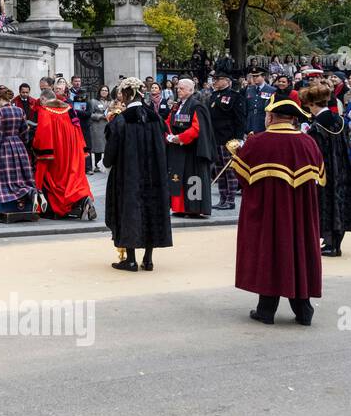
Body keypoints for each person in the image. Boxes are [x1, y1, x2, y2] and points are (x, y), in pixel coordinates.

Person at [230, 98, 325, 325]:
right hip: (299, 213)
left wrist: (235, 153)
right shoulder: (308, 142)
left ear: (270, 117)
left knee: (268, 251)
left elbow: (242, 177)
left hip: (268, 211)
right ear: (293, 119)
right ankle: (303, 310)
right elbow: (320, 178)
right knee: (297, 250)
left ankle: (266, 310)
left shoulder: (257, 142)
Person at [104, 78, 173, 272]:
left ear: (126, 94)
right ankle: (148, 260)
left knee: (129, 212)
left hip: (129, 172)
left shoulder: (122, 119)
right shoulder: (155, 117)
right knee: (151, 209)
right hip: (153, 173)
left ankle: (131, 260)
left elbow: (112, 148)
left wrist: (106, 163)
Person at [302, 81, 351, 256]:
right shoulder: (339, 120)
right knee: (340, 203)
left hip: (325, 170)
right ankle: (335, 244)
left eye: (309, 105)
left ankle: (330, 244)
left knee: (326, 204)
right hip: (342, 168)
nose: (309, 109)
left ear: (314, 104)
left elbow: (315, 151)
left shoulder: (317, 125)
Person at [31, 89, 95, 219]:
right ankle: (82, 201)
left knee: (56, 181)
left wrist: (37, 148)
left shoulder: (45, 111)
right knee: (72, 180)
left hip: (56, 153)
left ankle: (58, 210)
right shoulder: (70, 109)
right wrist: (80, 149)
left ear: (43, 99)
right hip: (72, 151)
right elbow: (78, 129)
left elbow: (43, 135)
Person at [165, 78, 217, 217]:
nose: (178, 90)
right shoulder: (176, 106)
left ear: (190, 90)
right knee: (179, 179)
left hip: (193, 151)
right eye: (178, 88)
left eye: (182, 88)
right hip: (178, 150)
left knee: (193, 179)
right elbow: (168, 122)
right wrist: (168, 135)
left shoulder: (197, 106)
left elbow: (196, 128)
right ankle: (180, 208)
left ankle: (194, 209)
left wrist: (180, 138)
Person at [0, 86, 36, 216]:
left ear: (0, 99)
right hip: (19, 147)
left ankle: (6, 201)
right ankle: (27, 194)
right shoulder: (19, 111)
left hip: (3, 149)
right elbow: (25, 133)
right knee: (20, 176)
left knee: (4, 179)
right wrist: (19, 141)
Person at [208, 73, 247, 210]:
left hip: (229, 138)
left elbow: (240, 119)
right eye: (214, 80)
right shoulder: (213, 95)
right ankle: (222, 198)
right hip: (216, 138)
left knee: (229, 170)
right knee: (220, 170)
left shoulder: (235, 97)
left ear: (227, 81)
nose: (215, 82)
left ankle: (230, 200)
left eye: (218, 79)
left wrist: (239, 138)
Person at [87, 86, 110, 173]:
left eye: (106, 90)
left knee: (107, 146)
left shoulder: (110, 102)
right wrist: (100, 116)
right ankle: (96, 165)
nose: (104, 92)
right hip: (97, 126)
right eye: (102, 90)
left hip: (107, 125)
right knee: (98, 147)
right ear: (99, 91)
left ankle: (106, 164)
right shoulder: (94, 101)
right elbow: (90, 114)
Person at [244, 68, 274, 134]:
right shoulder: (249, 90)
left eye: (257, 76)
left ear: (263, 77)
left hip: (264, 122)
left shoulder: (272, 90)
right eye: (253, 76)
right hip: (251, 122)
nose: (254, 78)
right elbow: (246, 108)